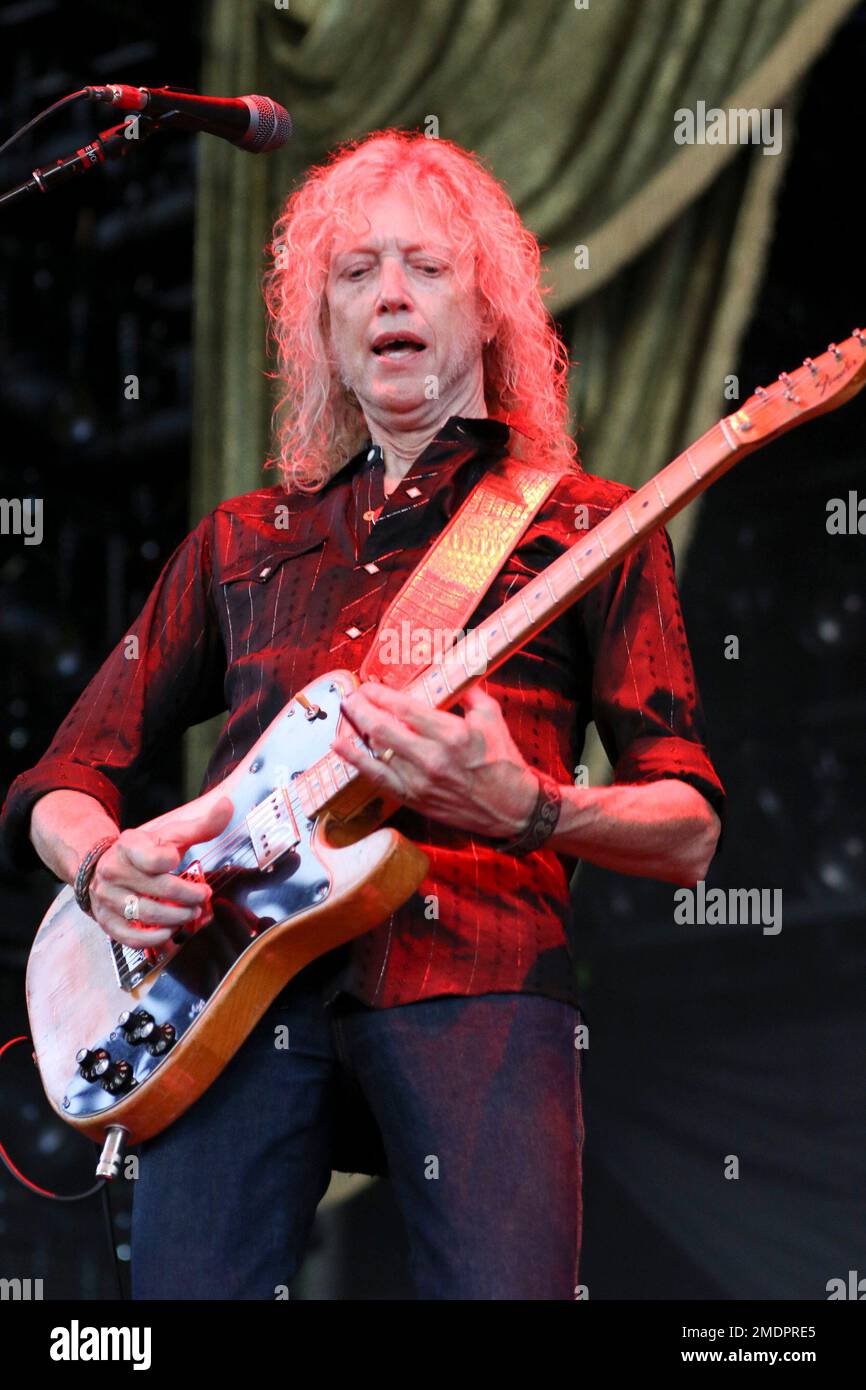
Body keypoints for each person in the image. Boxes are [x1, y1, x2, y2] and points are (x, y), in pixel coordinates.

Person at [0, 130, 725, 1300]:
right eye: (354, 274)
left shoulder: (586, 531)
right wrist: (97, 865)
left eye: (426, 268)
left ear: (488, 309)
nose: (389, 294)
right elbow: (62, 776)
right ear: (323, 334)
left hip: (476, 972)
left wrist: (529, 807)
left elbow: (687, 828)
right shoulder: (240, 541)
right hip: (223, 992)